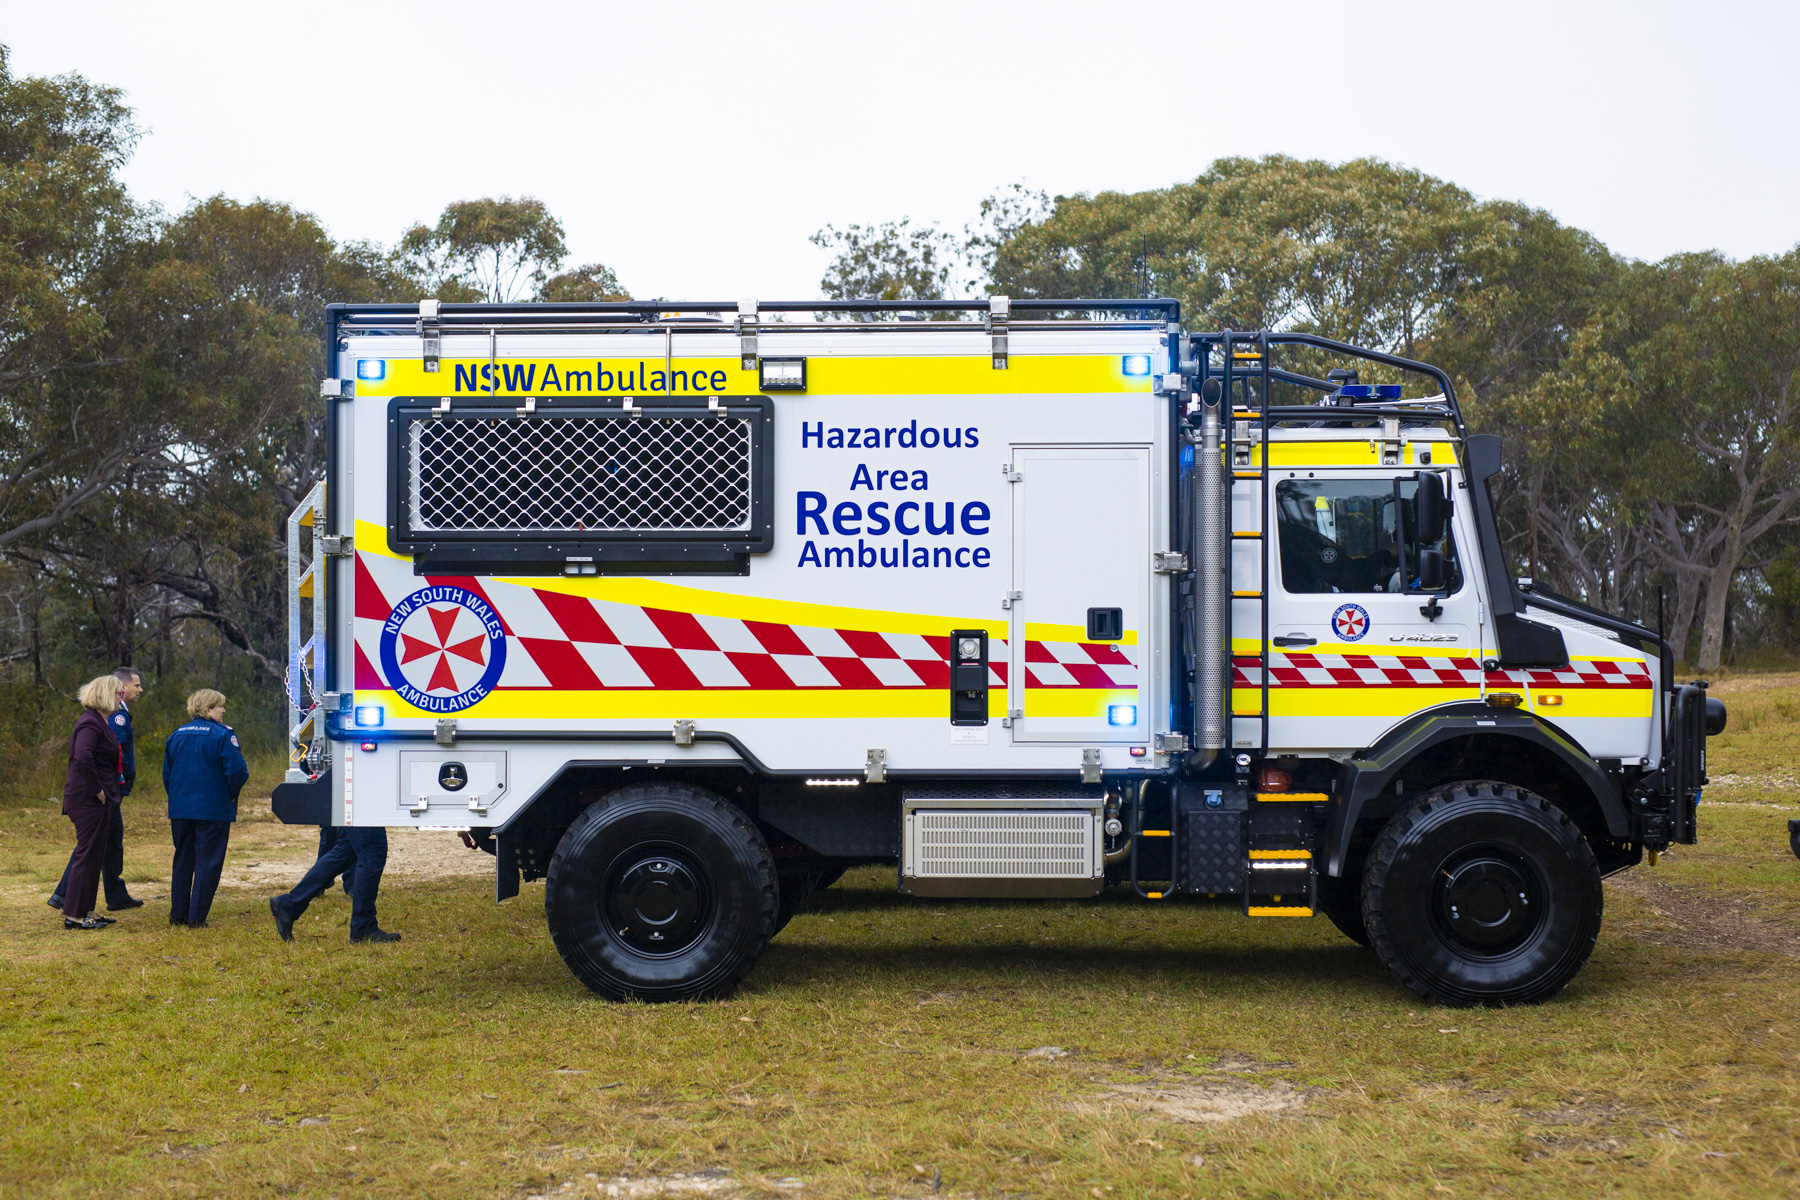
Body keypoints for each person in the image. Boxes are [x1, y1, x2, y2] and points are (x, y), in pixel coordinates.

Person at [48, 667, 145, 913]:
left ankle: (105, 899)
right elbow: (88, 757)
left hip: (109, 792)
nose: (124, 695)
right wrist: (102, 790)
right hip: (99, 795)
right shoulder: (99, 722)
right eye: (119, 691)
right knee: (90, 847)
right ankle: (68, 901)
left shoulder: (104, 718)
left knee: (106, 844)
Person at [163, 689, 249, 928]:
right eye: (220, 706)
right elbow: (238, 772)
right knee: (208, 862)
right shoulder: (223, 735)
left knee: (183, 859)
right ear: (208, 709)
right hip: (212, 810)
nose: (223, 711)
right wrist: (229, 795)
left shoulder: (176, 735)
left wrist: (179, 798)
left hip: (181, 809)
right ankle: (196, 918)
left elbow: (167, 775)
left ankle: (178, 914)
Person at [60, 675, 126, 931]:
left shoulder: (100, 722)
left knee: (95, 855)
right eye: (118, 693)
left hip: (99, 799)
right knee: (87, 855)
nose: (122, 698)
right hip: (88, 800)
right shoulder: (90, 723)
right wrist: (97, 790)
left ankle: (86, 910)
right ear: (106, 695)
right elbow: (83, 757)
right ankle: (74, 915)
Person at [268, 822, 398, 945]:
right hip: (360, 801)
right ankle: (363, 926)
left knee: (346, 851)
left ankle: (290, 905)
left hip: (349, 800)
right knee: (372, 851)